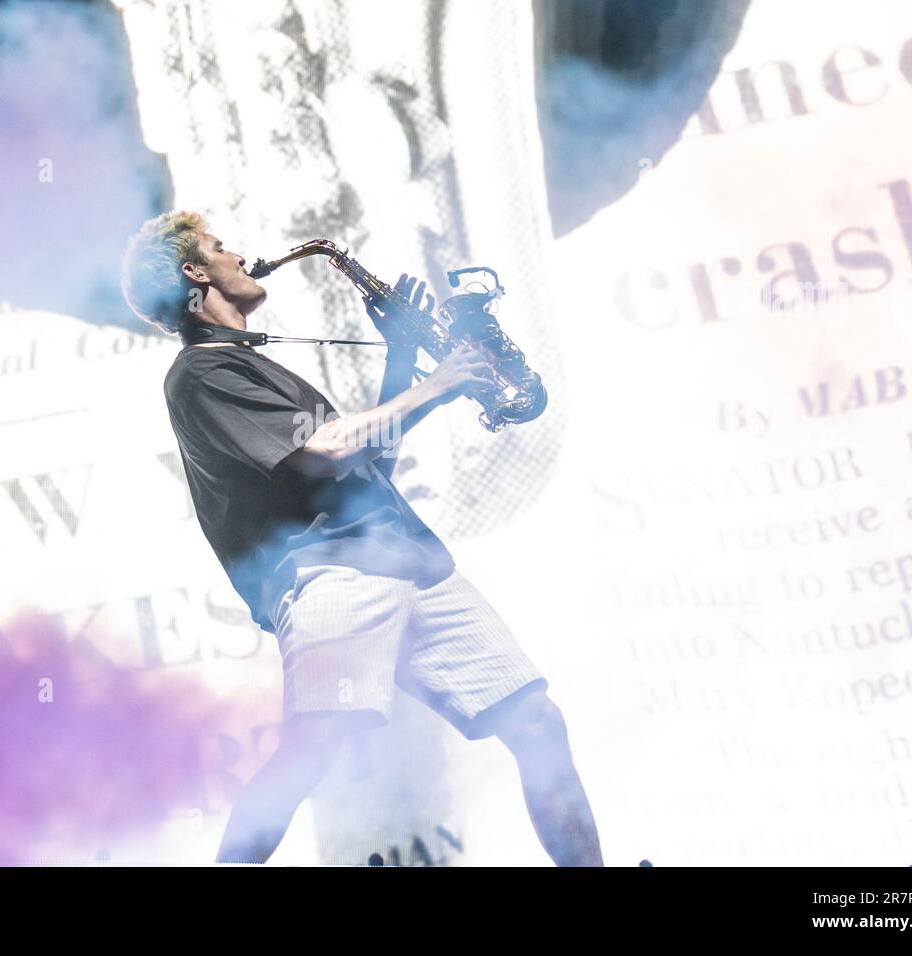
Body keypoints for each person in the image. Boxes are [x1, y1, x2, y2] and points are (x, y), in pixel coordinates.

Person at [121, 210, 603, 866]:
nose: (239, 254)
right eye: (220, 247)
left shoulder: (248, 365)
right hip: (332, 574)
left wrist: (404, 362)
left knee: (536, 722)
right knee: (313, 746)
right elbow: (327, 450)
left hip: (407, 561)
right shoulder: (203, 374)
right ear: (195, 272)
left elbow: (365, 464)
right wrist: (438, 383)